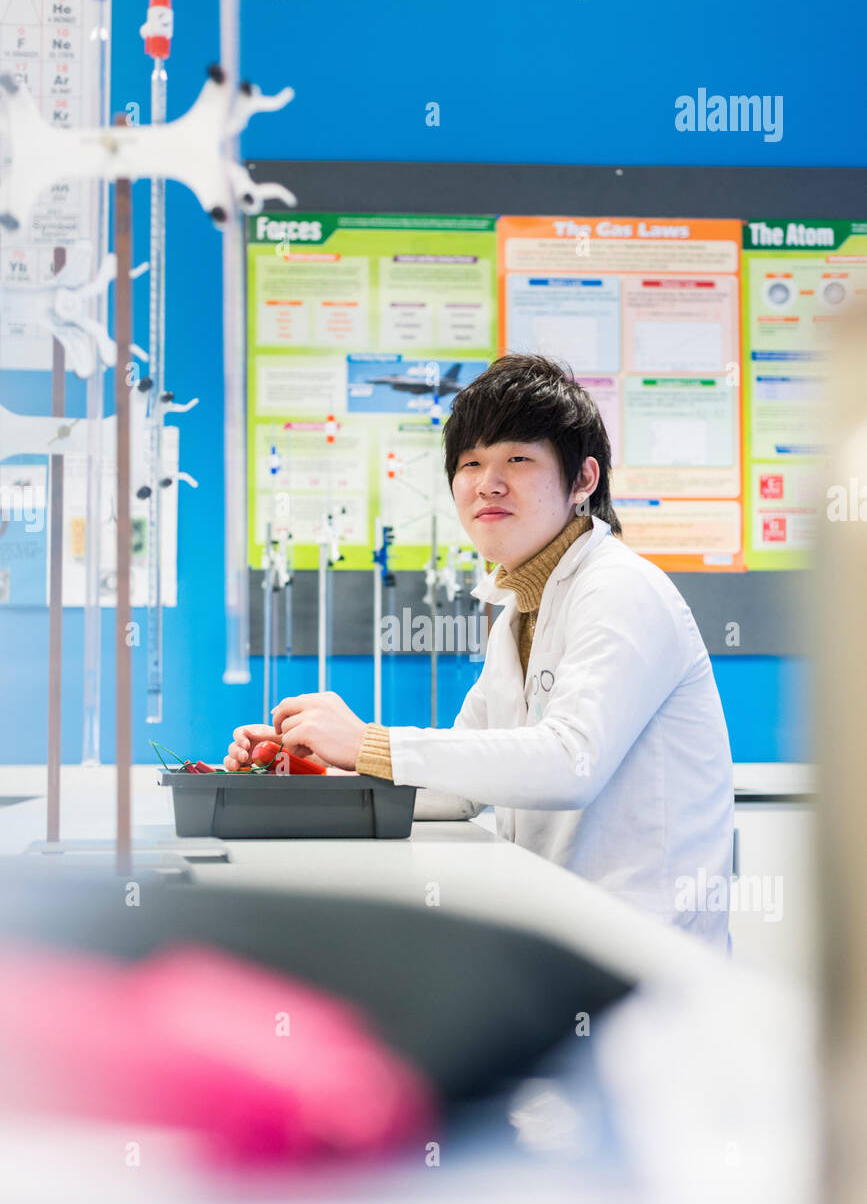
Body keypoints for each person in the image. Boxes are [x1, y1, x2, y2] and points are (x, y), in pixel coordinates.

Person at [226, 355, 734, 946]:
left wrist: (368, 741)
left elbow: (570, 762)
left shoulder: (621, 588)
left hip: (645, 960)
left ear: (583, 480)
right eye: (470, 462)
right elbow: (459, 790)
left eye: (518, 458)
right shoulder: (517, 609)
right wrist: (313, 768)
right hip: (565, 940)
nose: (488, 482)